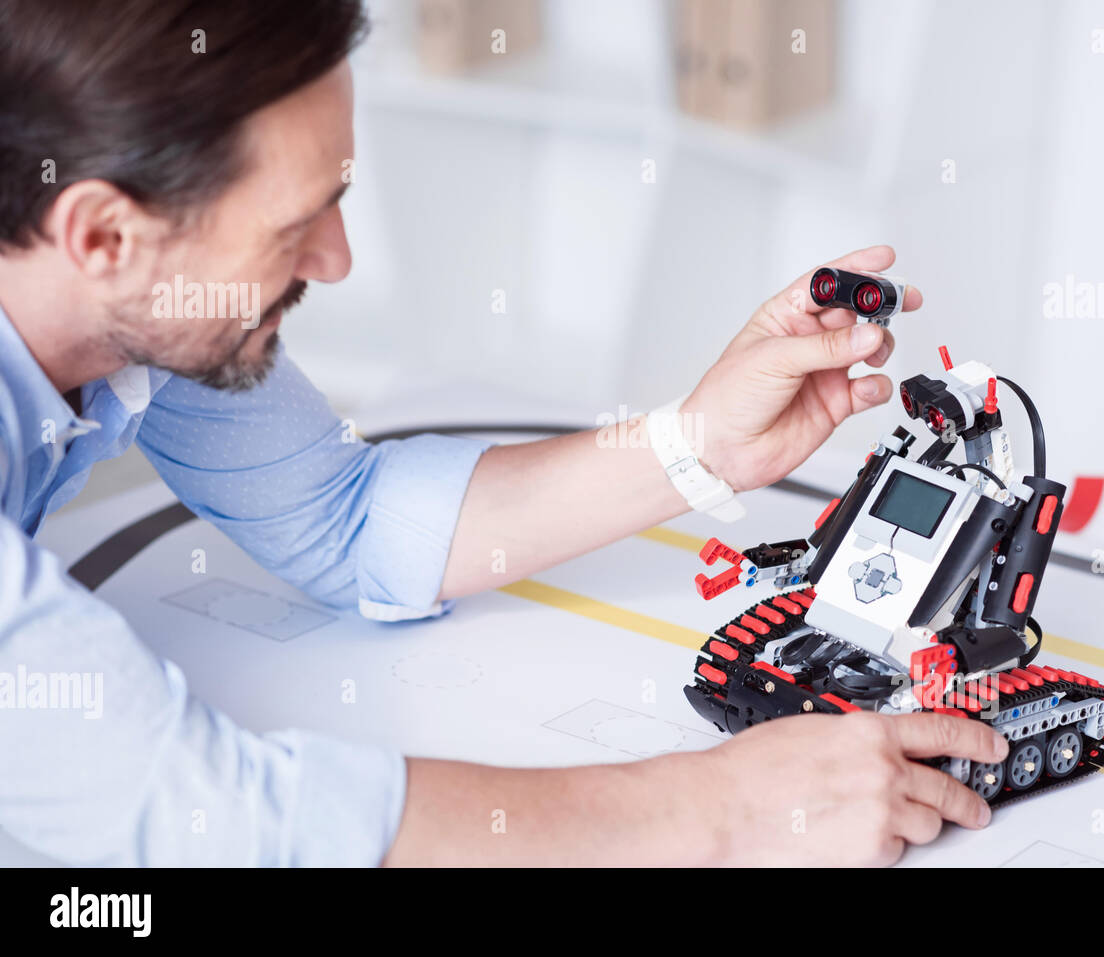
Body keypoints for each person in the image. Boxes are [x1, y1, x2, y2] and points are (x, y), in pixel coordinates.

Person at [0, 0, 1007, 867]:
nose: (338, 261)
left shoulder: (145, 309)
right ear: (101, 236)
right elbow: (220, 820)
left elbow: (341, 518)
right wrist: (729, 813)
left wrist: (698, 444)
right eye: (292, 225)